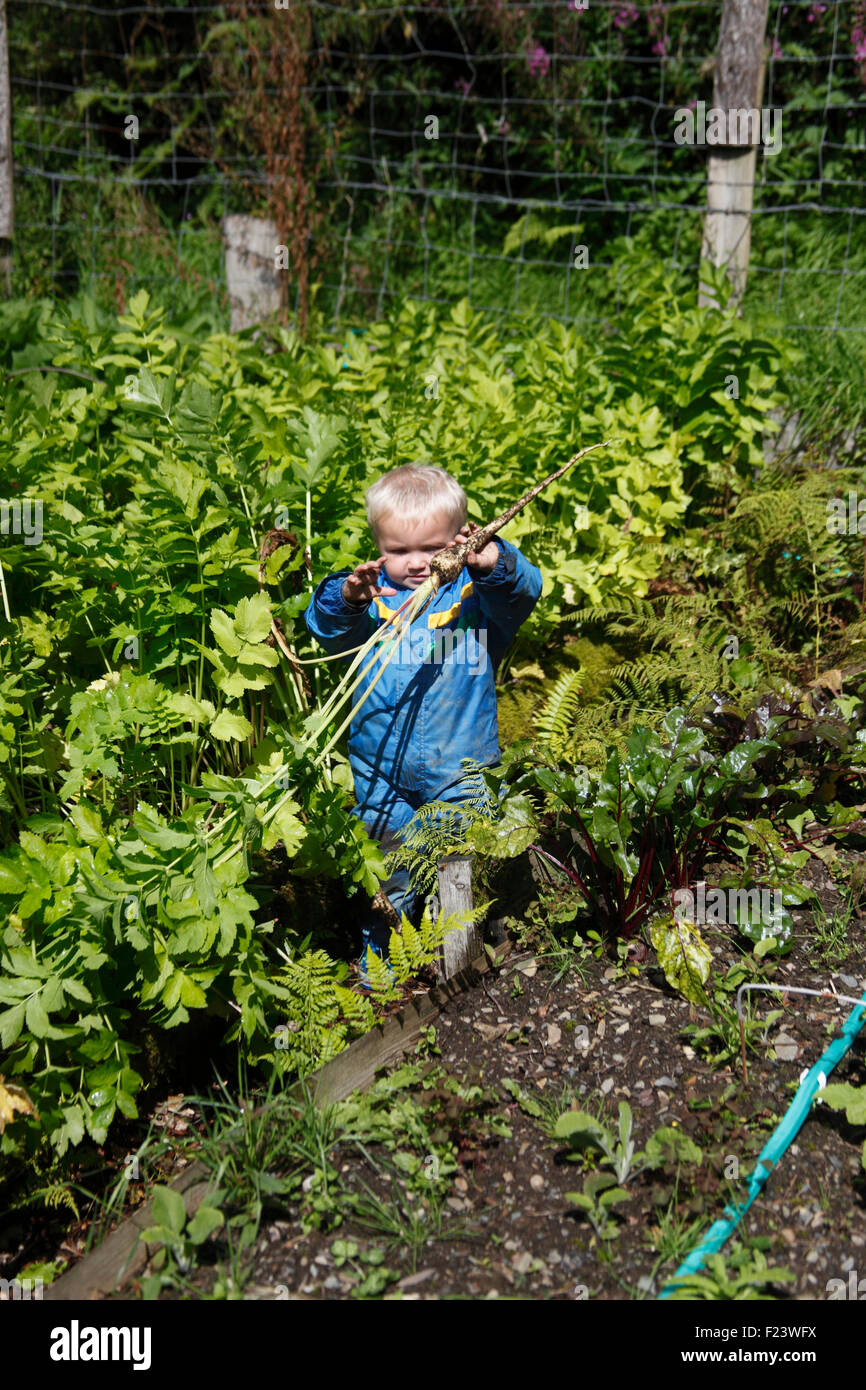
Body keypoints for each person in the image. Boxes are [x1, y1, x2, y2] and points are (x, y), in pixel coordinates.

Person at [304, 463, 543, 981]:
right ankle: (383, 969)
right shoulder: (370, 607)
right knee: (389, 872)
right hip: (380, 776)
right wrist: (345, 599)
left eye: (431, 548)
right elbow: (322, 630)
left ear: (459, 540)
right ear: (377, 545)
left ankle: (461, 962)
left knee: (459, 868)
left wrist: (493, 562)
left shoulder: (475, 606)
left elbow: (522, 593)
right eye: (398, 550)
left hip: (462, 770)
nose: (415, 564)